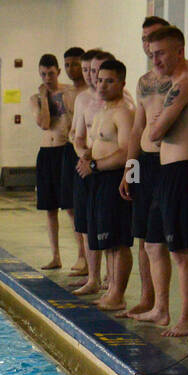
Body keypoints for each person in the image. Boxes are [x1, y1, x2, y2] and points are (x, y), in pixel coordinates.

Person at [142, 26, 188, 338]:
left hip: (183, 172)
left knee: (181, 250)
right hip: (166, 172)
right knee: (154, 242)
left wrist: (157, 124)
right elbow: (153, 131)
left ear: (179, 51)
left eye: (161, 53)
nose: (155, 59)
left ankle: (187, 316)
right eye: (152, 53)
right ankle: (161, 308)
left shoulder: (184, 85)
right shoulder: (172, 86)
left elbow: (154, 133)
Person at [121, 18, 175, 322]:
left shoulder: (186, 78)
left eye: (152, 39)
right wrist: (130, 169)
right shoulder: (143, 82)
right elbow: (137, 128)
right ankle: (148, 298)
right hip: (144, 162)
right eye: (144, 39)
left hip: (170, 163)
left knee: (182, 240)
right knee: (142, 233)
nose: (147, 45)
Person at [83, 59, 135, 314]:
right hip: (99, 179)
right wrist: (88, 159)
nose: (102, 85)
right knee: (107, 240)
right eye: (100, 80)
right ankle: (112, 289)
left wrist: (95, 166)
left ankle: (118, 294)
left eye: (109, 81)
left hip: (114, 179)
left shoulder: (123, 112)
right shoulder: (103, 111)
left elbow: (126, 151)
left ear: (122, 83)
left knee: (117, 241)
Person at [69, 51, 110, 294]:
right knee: (84, 224)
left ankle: (109, 277)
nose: (91, 76)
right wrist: (84, 155)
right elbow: (77, 135)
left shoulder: (120, 101)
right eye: (88, 71)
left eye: (95, 71)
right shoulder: (83, 100)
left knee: (106, 226)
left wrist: (93, 159)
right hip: (84, 168)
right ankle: (92, 278)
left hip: (105, 169)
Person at [32, 53, 72, 270]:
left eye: (50, 73)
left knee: (71, 208)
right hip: (46, 154)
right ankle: (55, 256)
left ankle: (82, 256)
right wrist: (44, 98)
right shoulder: (35, 99)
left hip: (65, 152)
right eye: (43, 74)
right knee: (50, 209)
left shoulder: (69, 93)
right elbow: (45, 124)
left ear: (58, 71)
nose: (47, 77)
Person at [59, 47, 90, 275]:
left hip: (89, 153)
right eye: (68, 65)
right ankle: (82, 253)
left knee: (87, 208)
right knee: (70, 206)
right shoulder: (66, 93)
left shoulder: (92, 91)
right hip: (70, 149)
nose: (72, 69)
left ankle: (90, 259)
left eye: (76, 64)